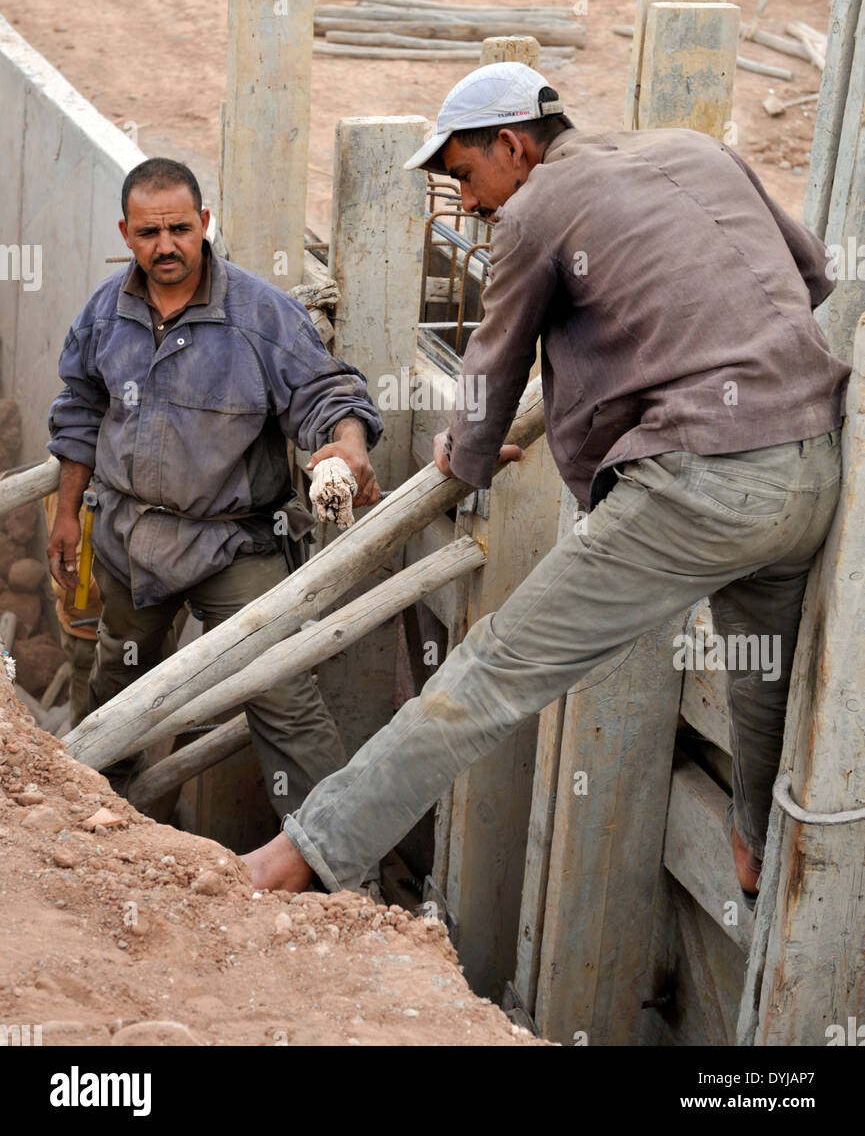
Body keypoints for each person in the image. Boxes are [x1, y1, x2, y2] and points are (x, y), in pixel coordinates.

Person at [240, 62, 849, 908]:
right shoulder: (695, 149)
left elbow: (491, 369)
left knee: (491, 669)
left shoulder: (533, 210)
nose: (470, 204)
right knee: (763, 676)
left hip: (697, 485)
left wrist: (470, 456)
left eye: (463, 175)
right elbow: (812, 274)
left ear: (512, 146)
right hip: (811, 467)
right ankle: (754, 842)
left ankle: (305, 850)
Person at [46, 157, 383, 814]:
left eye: (179, 228)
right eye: (148, 233)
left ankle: (340, 871)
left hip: (236, 545)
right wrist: (65, 513)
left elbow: (325, 392)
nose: (165, 245)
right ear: (126, 233)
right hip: (129, 540)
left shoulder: (261, 314)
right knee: (118, 693)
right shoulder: (104, 314)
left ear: (203, 223)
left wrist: (345, 442)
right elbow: (80, 408)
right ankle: (104, 838)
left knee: (282, 697)